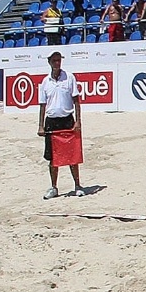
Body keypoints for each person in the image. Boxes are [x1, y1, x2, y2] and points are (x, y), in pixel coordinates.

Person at [38, 51, 84, 199]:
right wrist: (40, 126)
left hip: (67, 119)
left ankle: (77, 185)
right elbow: (42, 105)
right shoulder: (45, 82)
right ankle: (54, 187)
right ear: (49, 62)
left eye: (59, 60)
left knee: (72, 155)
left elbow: (76, 101)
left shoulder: (69, 78)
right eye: (54, 61)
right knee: (53, 157)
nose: (57, 63)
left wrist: (78, 121)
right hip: (51, 121)